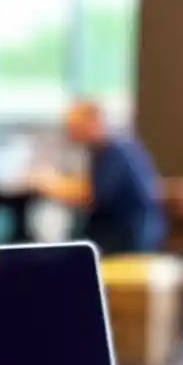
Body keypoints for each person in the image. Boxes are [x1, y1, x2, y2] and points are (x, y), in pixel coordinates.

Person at [52, 101, 165, 254]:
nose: (70, 132)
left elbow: (91, 196)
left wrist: (51, 185)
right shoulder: (105, 149)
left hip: (128, 233)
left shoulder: (115, 152)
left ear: (93, 122)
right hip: (118, 230)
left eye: (74, 126)